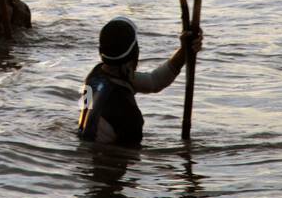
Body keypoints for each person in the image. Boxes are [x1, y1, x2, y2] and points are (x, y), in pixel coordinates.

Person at [78, 16, 202, 146]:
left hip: (85, 154)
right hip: (105, 161)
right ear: (135, 54)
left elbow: (154, 81)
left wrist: (184, 52)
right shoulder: (128, 114)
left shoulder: (95, 76)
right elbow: (130, 158)